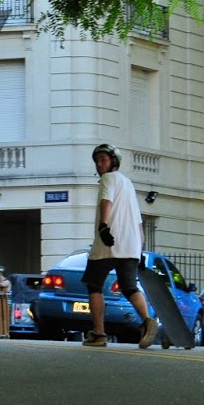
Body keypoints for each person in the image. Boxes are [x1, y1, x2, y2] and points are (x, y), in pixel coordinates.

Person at [83, 142, 159, 349]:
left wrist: (103, 227)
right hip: (131, 244)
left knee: (94, 285)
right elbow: (138, 219)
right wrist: (140, 249)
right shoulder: (128, 183)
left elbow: (105, 202)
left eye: (103, 160)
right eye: (97, 161)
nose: (99, 164)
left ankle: (99, 334)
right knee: (129, 287)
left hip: (108, 243)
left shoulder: (108, 179)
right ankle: (147, 321)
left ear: (114, 162)